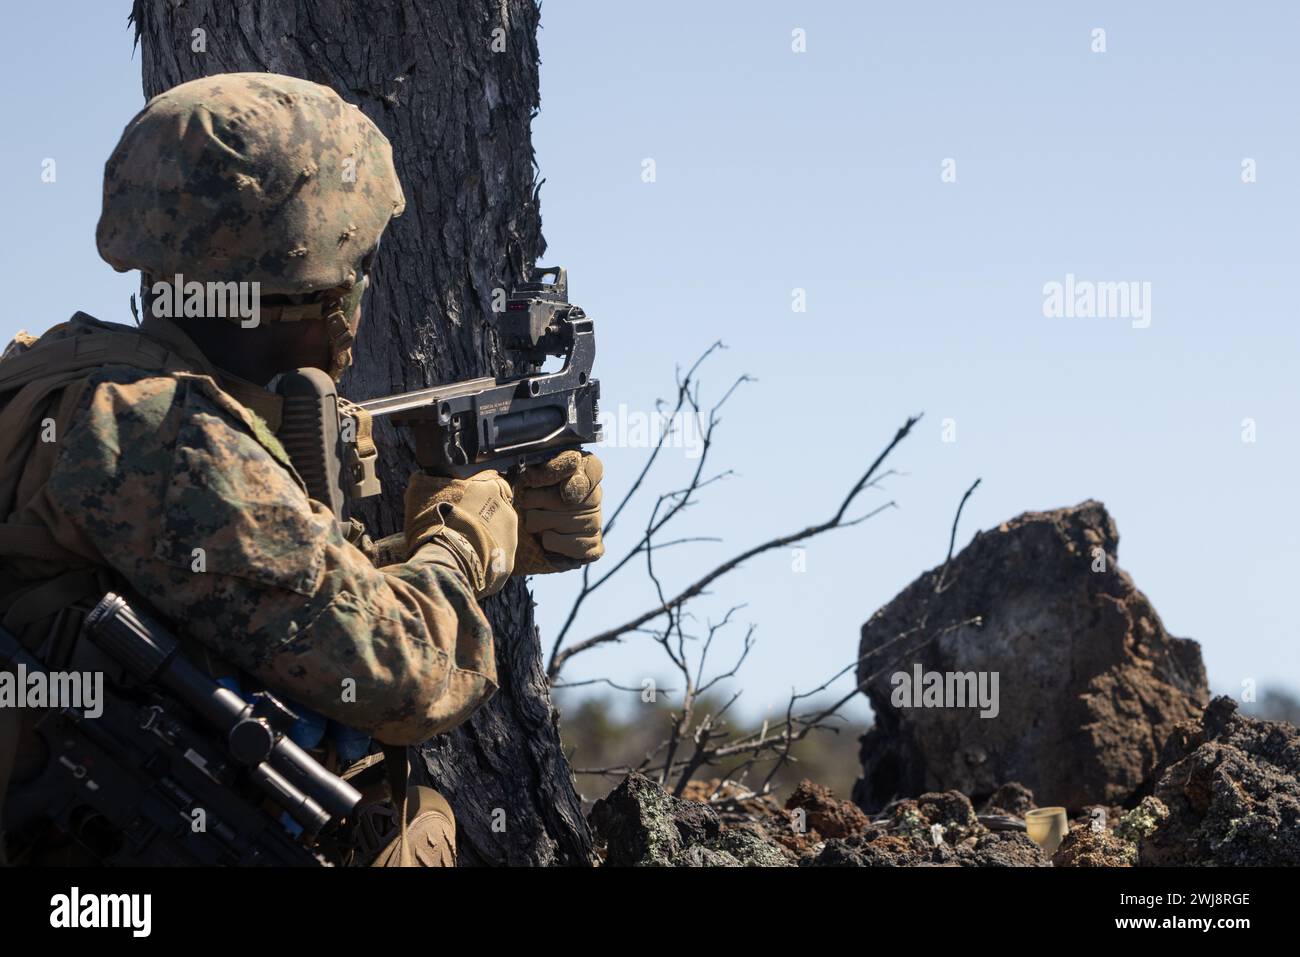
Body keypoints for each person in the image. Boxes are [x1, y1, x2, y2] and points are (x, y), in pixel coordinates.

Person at [0, 72, 604, 866]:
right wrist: (460, 547)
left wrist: (457, 543)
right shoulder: (162, 431)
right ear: (320, 292)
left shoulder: (74, 379)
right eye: (360, 266)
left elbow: (258, 600)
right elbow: (402, 676)